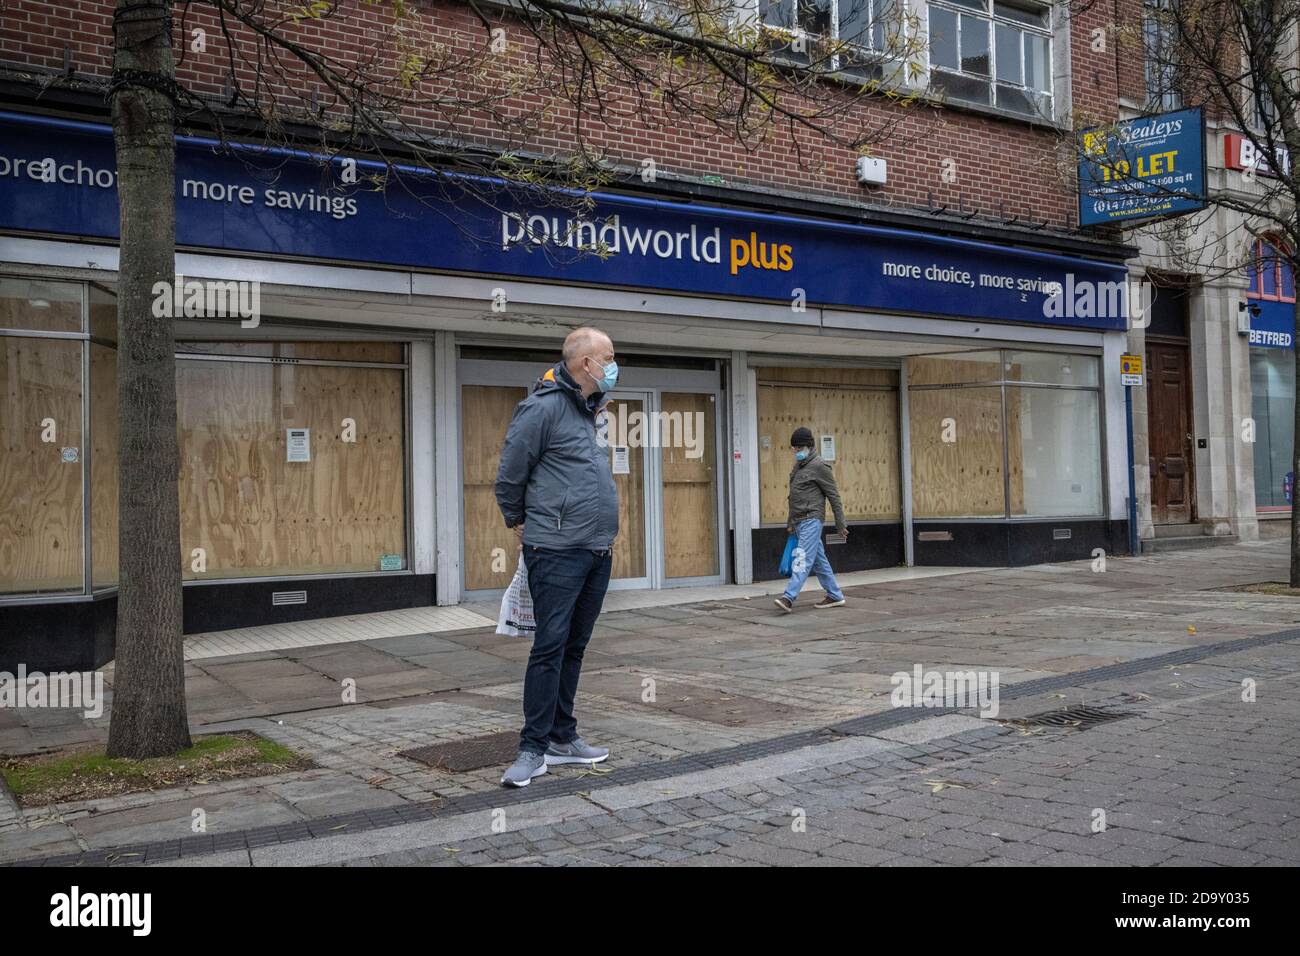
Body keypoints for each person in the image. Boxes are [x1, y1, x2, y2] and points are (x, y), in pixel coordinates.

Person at [494, 327, 620, 787]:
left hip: (596, 550)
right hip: (557, 550)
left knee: (574, 646)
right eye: (608, 357)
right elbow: (510, 473)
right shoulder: (542, 408)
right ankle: (533, 748)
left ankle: (563, 738)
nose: (614, 364)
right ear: (586, 364)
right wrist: (517, 520)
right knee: (549, 646)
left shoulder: (589, 411)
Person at [774, 426, 848, 612]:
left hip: (811, 519)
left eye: (798, 449)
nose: (796, 452)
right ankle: (835, 595)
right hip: (799, 521)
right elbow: (794, 497)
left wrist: (841, 523)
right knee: (818, 560)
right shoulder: (799, 467)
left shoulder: (820, 466)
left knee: (802, 558)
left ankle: (788, 597)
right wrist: (791, 523)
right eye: (794, 449)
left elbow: (833, 495)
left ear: (808, 446)